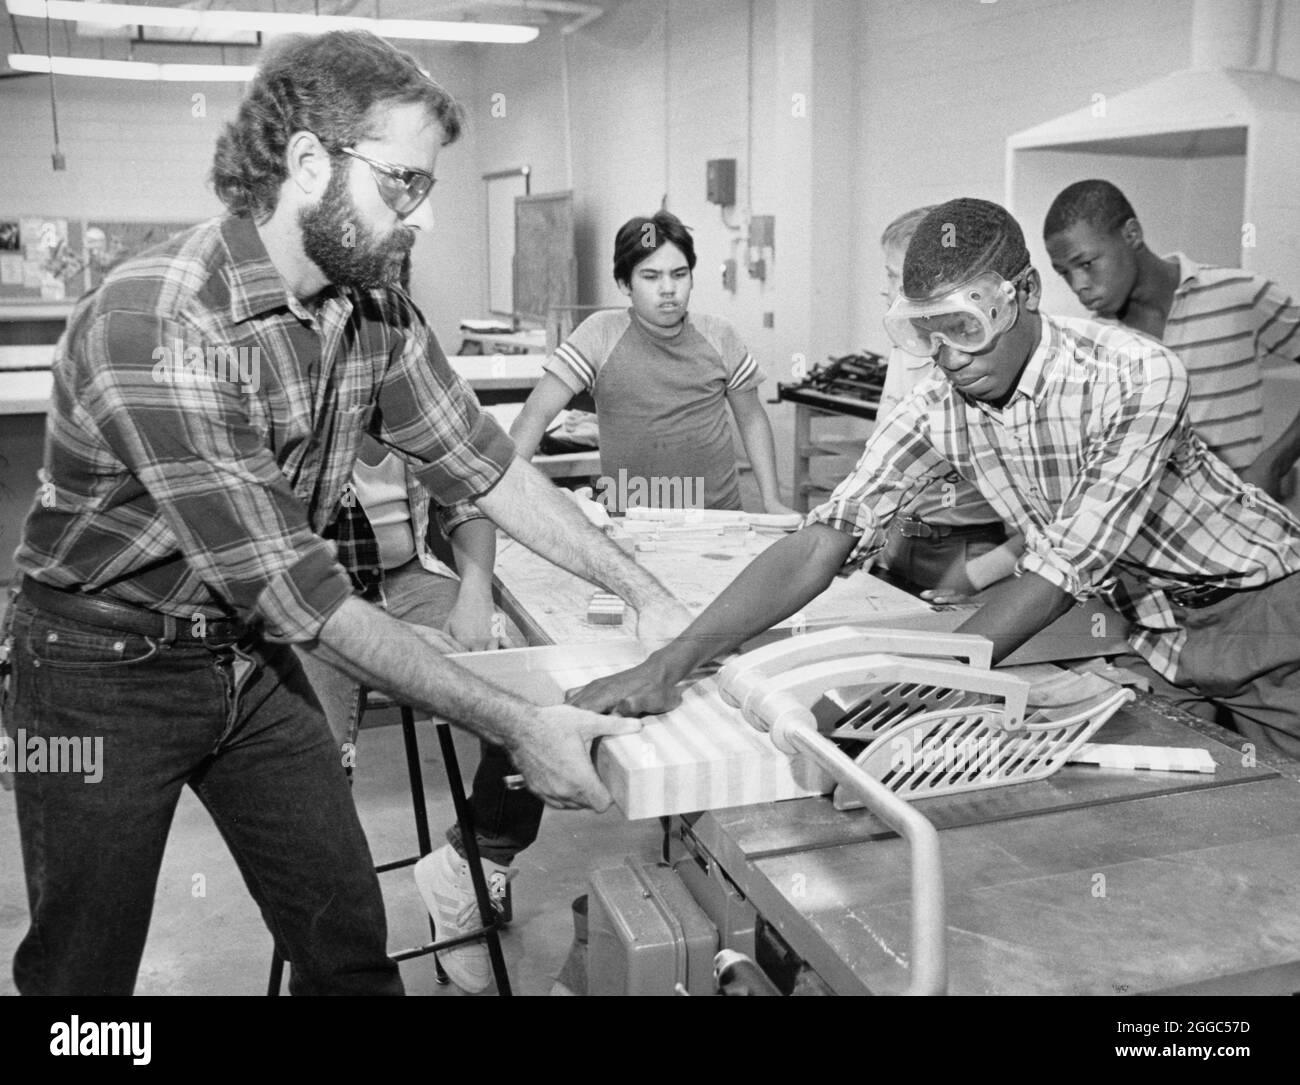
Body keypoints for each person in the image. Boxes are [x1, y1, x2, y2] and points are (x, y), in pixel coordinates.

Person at [0, 29, 690, 997]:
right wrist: (520, 723)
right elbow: (302, 594)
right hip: (100, 667)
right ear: (309, 161)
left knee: (346, 937)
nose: (424, 214)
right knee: (84, 969)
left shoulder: (374, 310)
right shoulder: (160, 320)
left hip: (245, 649)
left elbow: (483, 467)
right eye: (403, 182)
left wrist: (652, 600)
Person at [569, 198, 1300, 764]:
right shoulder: (940, 403)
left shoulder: (1135, 374)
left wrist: (896, 700)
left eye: (966, 324)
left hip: (1267, 614)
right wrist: (672, 662)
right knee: (1189, 821)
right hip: (1160, 634)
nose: (946, 355)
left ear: (1023, 295)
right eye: (924, 331)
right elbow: (830, 533)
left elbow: (1059, 572)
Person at [295, 434, 542, 994]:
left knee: (526, 682)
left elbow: (466, 500)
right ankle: (339, 964)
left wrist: (473, 594)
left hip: (406, 580)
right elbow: (277, 571)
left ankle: (474, 863)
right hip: (315, 606)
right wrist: (397, 640)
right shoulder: (293, 406)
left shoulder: (403, 398)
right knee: (312, 775)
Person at [509, 211, 796, 515]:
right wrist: (507, 500)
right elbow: (535, 416)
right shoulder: (600, 333)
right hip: (630, 520)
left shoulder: (719, 334)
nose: (668, 288)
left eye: (679, 274)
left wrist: (772, 500)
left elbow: (751, 419)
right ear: (624, 283)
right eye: (651, 276)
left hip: (716, 518)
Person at [1043, 178, 1300, 499]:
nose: (1078, 284)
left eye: (1086, 264)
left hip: (1245, 526)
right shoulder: (1096, 347)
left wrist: (1275, 463)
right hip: (1157, 537)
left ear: (1131, 234)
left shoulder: (1240, 294)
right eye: (1063, 272)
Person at [874, 205, 1022, 599]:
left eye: (893, 276)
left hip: (969, 551)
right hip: (902, 541)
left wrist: (976, 575)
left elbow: (1047, 517)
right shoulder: (904, 350)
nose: (885, 289)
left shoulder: (987, 365)